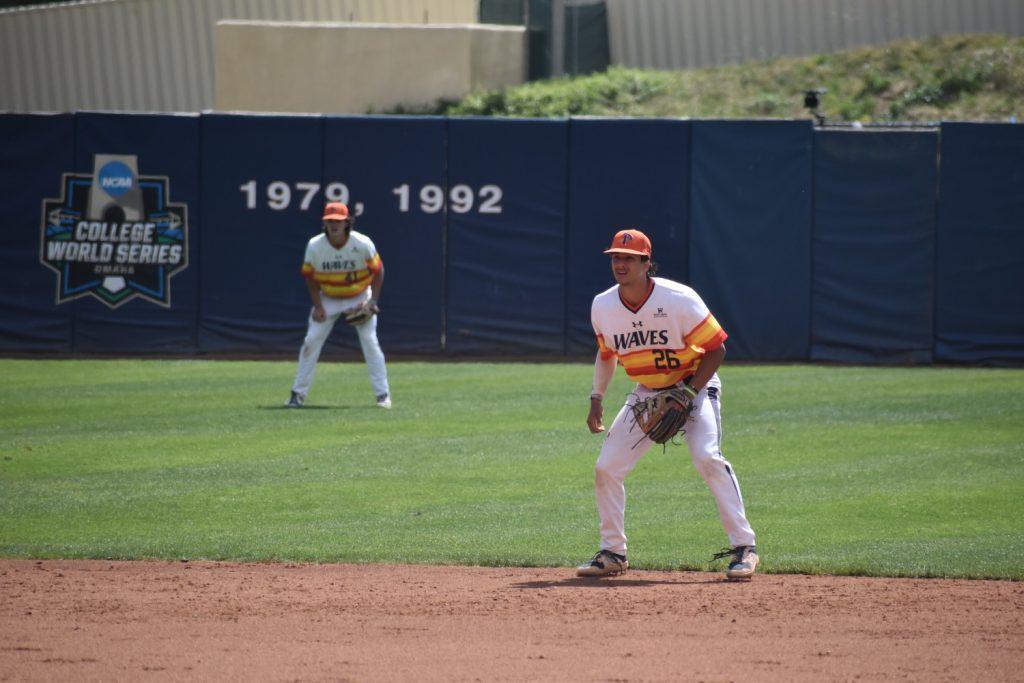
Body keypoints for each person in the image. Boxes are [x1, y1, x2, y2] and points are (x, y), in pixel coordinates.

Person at [577, 228, 758, 580]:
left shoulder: (678, 299)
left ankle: (745, 547)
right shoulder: (603, 305)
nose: (620, 263)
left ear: (647, 263)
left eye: (629, 258)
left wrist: (688, 393)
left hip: (695, 385)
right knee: (607, 467)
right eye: (616, 257)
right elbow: (606, 354)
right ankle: (613, 552)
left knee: (707, 456)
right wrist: (596, 397)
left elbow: (716, 349)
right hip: (646, 394)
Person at [286, 202, 391, 409]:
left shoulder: (361, 243)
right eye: (330, 221)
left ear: (347, 222)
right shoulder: (315, 246)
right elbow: (310, 277)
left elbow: (378, 271)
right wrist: (318, 306)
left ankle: (383, 395)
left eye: (338, 221)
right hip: (328, 297)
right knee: (311, 341)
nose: (334, 225)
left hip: (358, 295)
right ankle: (297, 394)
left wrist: (372, 302)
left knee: (370, 341)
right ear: (324, 223)